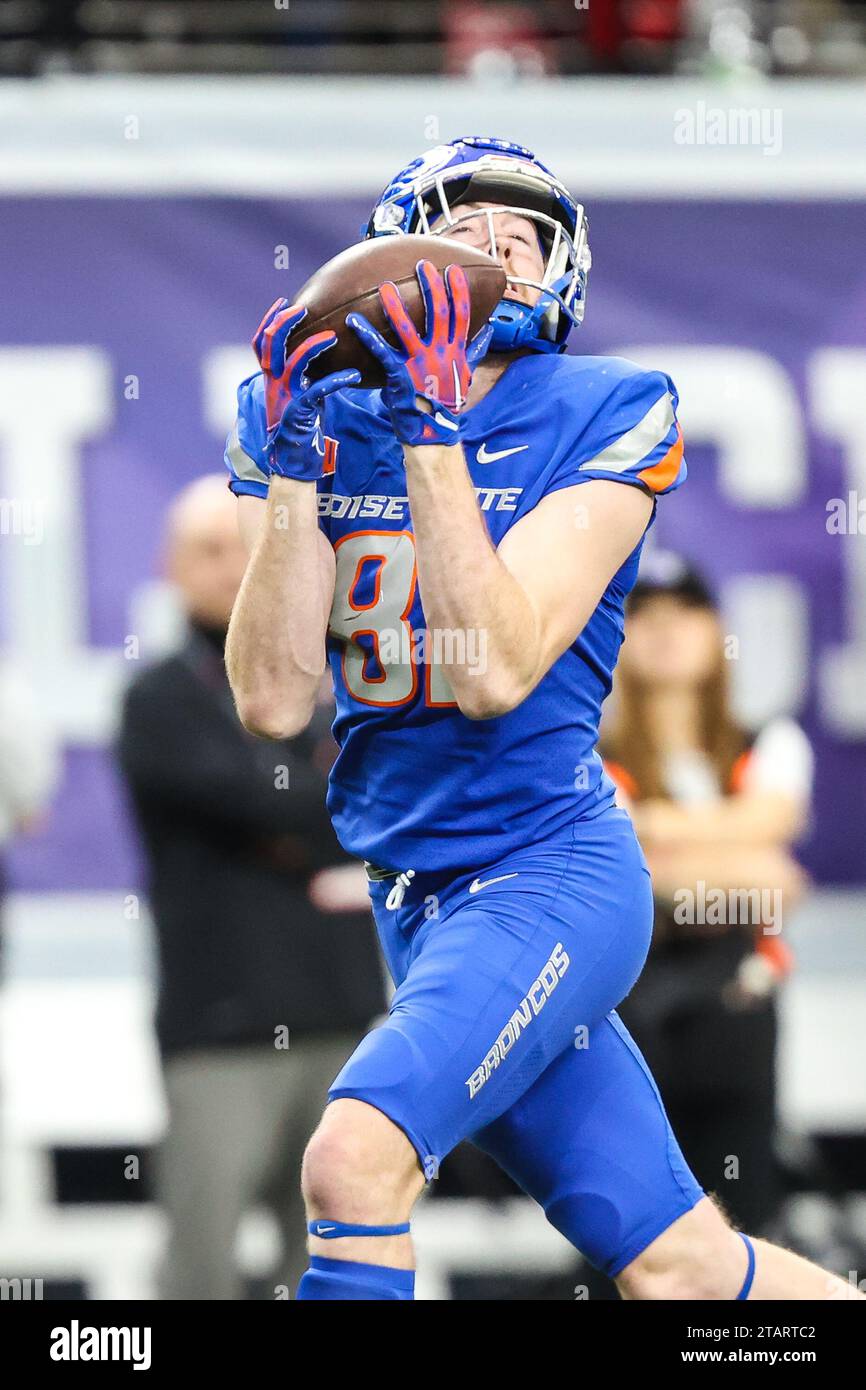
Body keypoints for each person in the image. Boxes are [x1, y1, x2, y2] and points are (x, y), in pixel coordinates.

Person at [223, 135, 862, 1300]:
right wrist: (288, 475)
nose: (501, 254)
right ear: (394, 251)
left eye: (525, 239)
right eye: (468, 231)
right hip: (410, 896)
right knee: (678, 1265)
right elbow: (269, 700)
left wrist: (431, 435)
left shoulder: (604, 405)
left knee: (352, 1161)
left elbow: (493, 670)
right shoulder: (327, 412)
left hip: (545, 870)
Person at [117, 476, 385, 1300]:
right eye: (207, 550)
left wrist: (306, 814)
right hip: (221, 1029)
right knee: (200, 1266)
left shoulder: (340, 684)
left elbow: (370, 804)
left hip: (343, 1017)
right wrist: (322, 807)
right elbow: (289, 800)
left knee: (346, 1255)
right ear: (169, 566)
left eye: (242, 545)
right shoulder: (160, 698)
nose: (229, 566)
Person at [593, 551, 812, 1292]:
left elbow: (781, 880)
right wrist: (735, 845)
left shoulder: (769, 743)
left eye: (684, 612)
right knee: (629, 1241)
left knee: (747, 1225)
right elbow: (632, 875)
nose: (664, 631)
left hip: (735, 1022)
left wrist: (650, 830)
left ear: (715, 628)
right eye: (643, 614)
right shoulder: (587, 755)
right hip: (628, 1025)